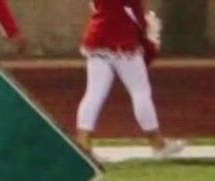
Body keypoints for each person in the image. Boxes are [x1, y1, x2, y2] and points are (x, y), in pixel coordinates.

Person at [74, 0, 186, 163]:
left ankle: (84, 143)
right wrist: (147, 34)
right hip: (122, 36)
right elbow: (133, 11)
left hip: (97, 33)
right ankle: (157, 143)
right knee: (140, 92)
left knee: (94, 93)